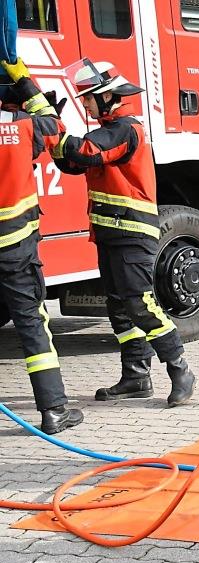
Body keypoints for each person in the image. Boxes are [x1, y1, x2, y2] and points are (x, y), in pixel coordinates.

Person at [54, 59, 195, 407]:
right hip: (111, 231)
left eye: (89, 97)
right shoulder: (108, 127)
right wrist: (51, 134)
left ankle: (180, 371)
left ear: (109, 96)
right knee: (118, 306)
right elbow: (71, 162)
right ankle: (135, 376)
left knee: (140, 302)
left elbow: (85, 151)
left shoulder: (125, 128)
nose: (84, 103)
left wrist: (51, 125)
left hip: (131, 231)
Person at [0, 59, 84, 434]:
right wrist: (27, 83)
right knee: (32, 324)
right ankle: (54, 410)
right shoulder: (25, 128)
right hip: (15, 248)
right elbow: (56, 126)